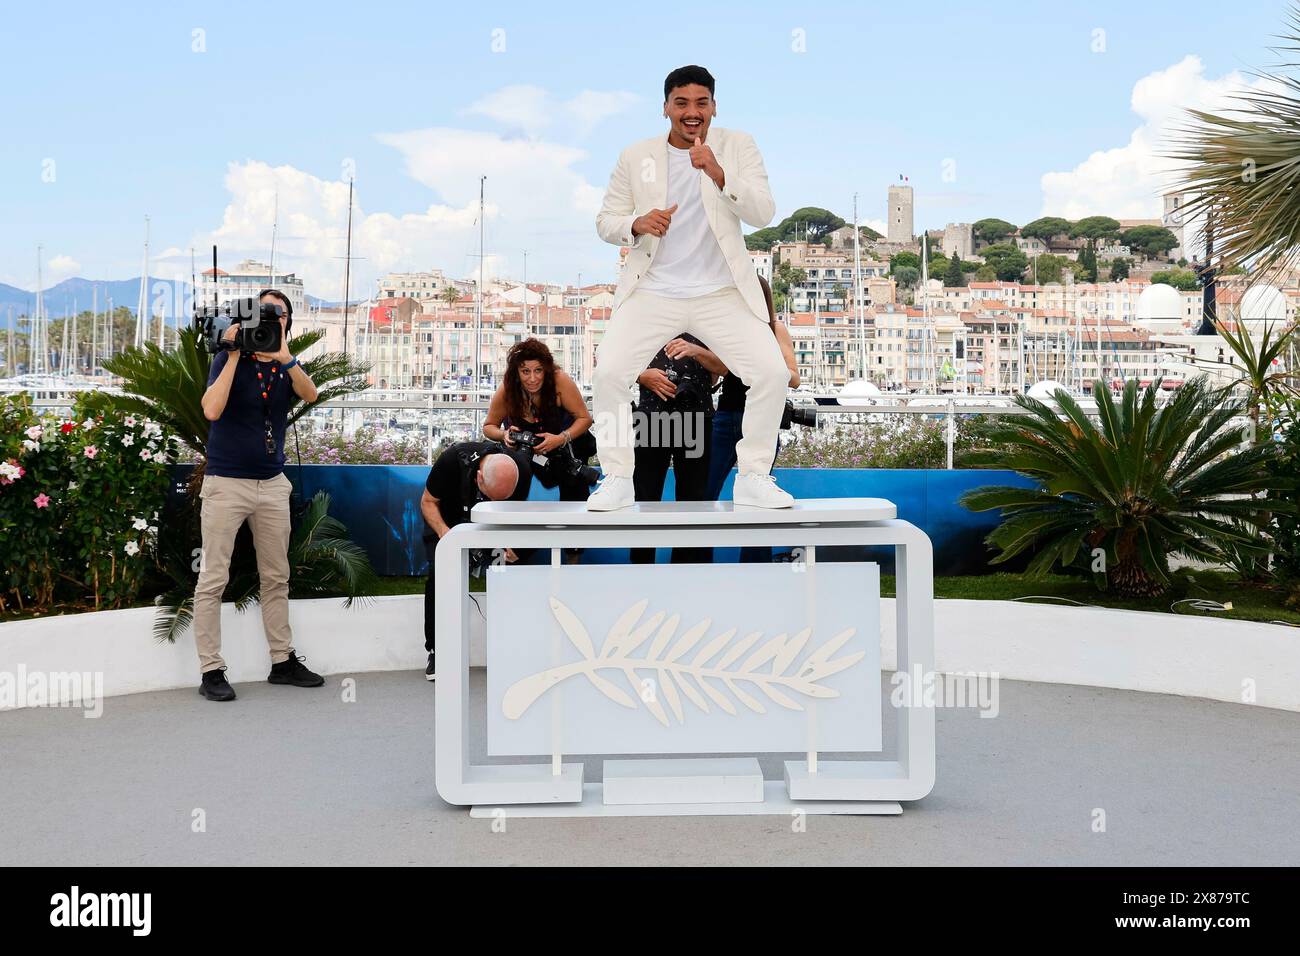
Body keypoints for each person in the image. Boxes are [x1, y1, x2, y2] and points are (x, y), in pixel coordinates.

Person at [589, 64, 793, 512]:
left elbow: (764, 212)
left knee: (772, 374)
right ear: (666, 108)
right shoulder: (635, 155)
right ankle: (618, 477)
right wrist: (636, 224)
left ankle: (755, 476)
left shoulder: (737, 147)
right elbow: (605, 221)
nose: (692, 112)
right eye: (681, 103)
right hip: (653, 291)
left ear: (714, 107)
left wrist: (719, 174)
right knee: (608, 374)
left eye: (702, 102)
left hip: (721, 292)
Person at [192, 290, 323, 702]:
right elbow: (211, 410)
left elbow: (312, 394)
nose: (270, 320)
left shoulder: (286, 365)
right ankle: (211, 669)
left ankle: (282, 661)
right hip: (226, 483)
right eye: (263, 313)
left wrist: (285, 357)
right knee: (214, 578)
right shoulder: (227, 357)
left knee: (276, 577)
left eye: (278, 314)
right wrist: (233, 353)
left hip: (271, 483)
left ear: (288, 321)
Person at [706, 274, 801, 562]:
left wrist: (765, 370)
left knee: (758, 499)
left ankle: (756, 567)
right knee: (705, 494)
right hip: (727, 416)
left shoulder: (775, 329)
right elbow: (715, 375)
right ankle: (697, 561)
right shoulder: (726, 328)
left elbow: (794, 378)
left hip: (761, 422)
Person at [420, 441, 527, 681]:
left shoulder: (521, 466)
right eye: (492, 496)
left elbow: (517, 512)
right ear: (479, 478)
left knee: (512, 573)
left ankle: (515, 647)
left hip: (493, 527)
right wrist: (446, 536)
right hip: (447, 522)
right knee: (439, 579)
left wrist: (513, 545)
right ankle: (437, 650)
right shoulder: (451, 461)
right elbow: (427, 502)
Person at [631, 333, 724, 564]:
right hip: (652, 417)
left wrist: (696, 350)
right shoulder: (645, 320)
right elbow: (614, 364)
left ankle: (686, 570)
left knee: (694, 501)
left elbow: (725, 369)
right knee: (645, 498)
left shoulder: (708, 322)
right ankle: (640, 569)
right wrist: (641, 376)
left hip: (696, 416)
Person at [483, 338, 595, 504]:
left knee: (575, 493)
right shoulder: (507, 389)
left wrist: (560, 439)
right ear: (516, 373)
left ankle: (577, 527)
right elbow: (488, 426)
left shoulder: (560, 381)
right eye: (525, 371)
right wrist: (503, 435)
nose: (533, 378)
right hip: (528, 454)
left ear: (547, 370)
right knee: (512, 478)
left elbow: (585, 419)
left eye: (538, 370)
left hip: (567, 448)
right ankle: (510, 523)